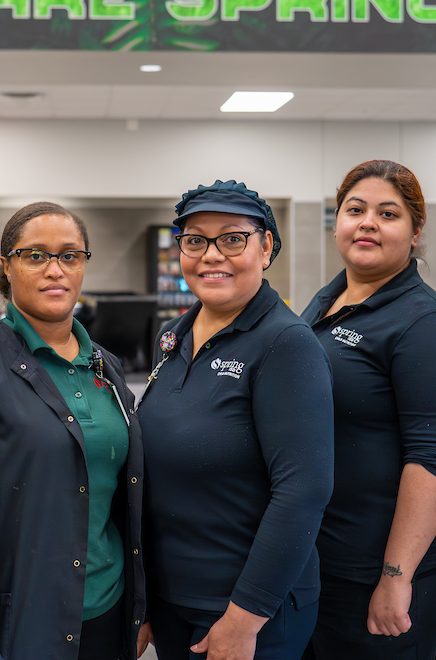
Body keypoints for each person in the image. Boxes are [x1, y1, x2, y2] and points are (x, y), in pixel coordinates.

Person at [0, 202, 145, 660]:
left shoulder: (106, 367)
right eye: (35, 255)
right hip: (16, 623)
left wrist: (137, 605)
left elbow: (121, 498)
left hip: (106, 613)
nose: (55, 269)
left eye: (70, 255)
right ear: (7, 265)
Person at [136, 180, 334, 660]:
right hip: (173, 598)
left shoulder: (285, 343)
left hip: (244, 609)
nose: (211, 255)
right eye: (195, 240)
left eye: (232, 238)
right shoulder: (173, 336)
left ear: (266, 247)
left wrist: (245, 618)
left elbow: (303, 491)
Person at [299, 160, 436, 660]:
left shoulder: (428, 326)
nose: (368, 222)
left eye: (388, 213)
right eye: (355, 209)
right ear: (338, 222)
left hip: (379, 565)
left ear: (416, 231)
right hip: (321, 557)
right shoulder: (326, 301)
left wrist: (396, 577)